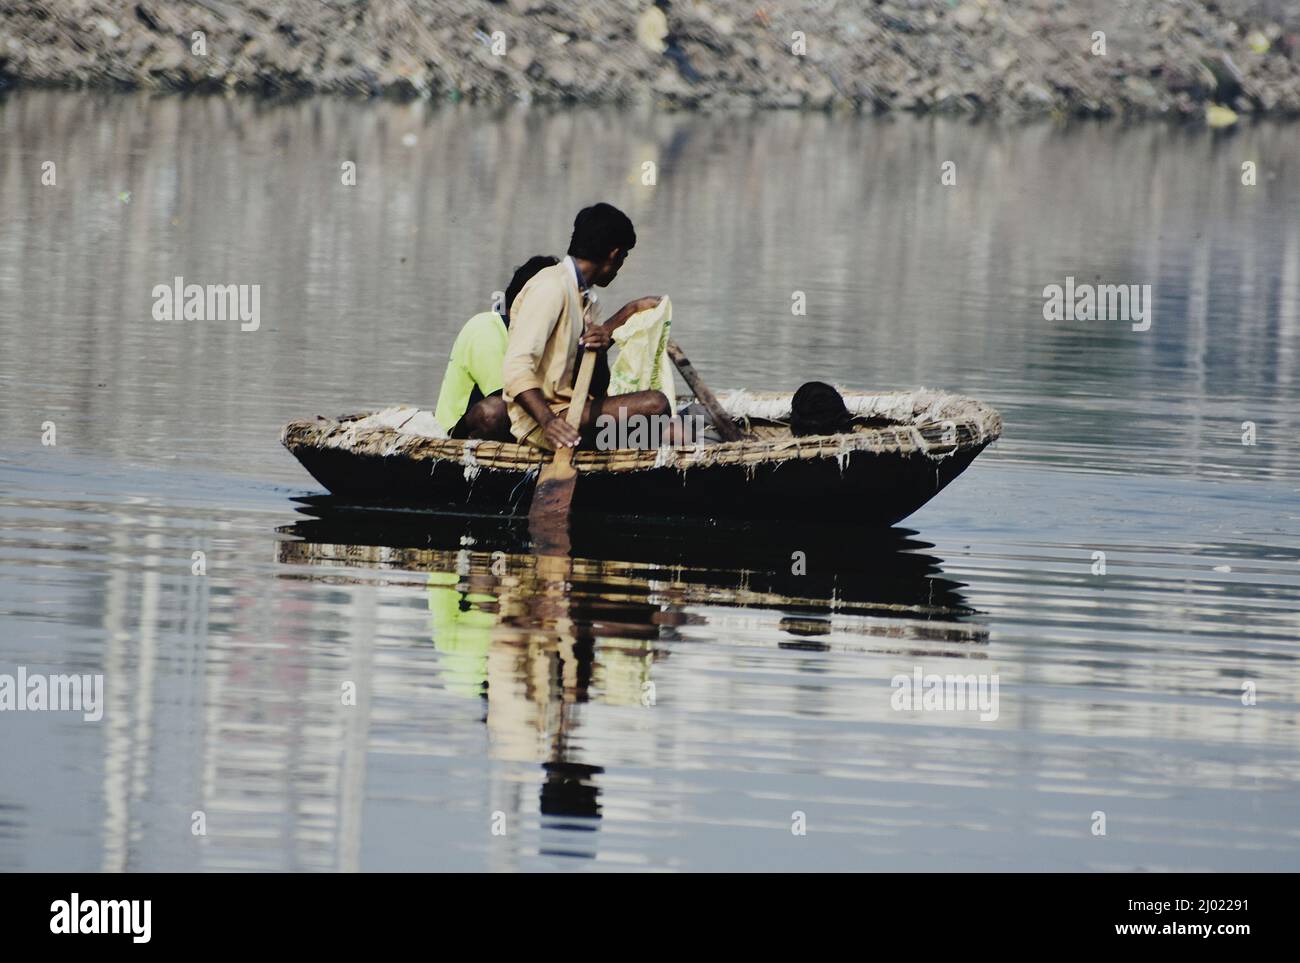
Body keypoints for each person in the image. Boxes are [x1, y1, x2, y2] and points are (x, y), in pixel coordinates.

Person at [503, 203, 671, 450]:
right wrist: (549, 421)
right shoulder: (551, 287)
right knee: (656, 405)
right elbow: (516, 369)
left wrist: (624, 317)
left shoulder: (586, 299)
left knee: (663, 429)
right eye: (623, 257)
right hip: (544, 421)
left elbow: (594, 380)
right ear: (614, 255)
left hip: (573, 409)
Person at [433, 255, 558, 441]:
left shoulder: (535, 338)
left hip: (513, 425)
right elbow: (510, 400)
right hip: (458, 434)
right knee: (495, 411)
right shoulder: (486, 328)